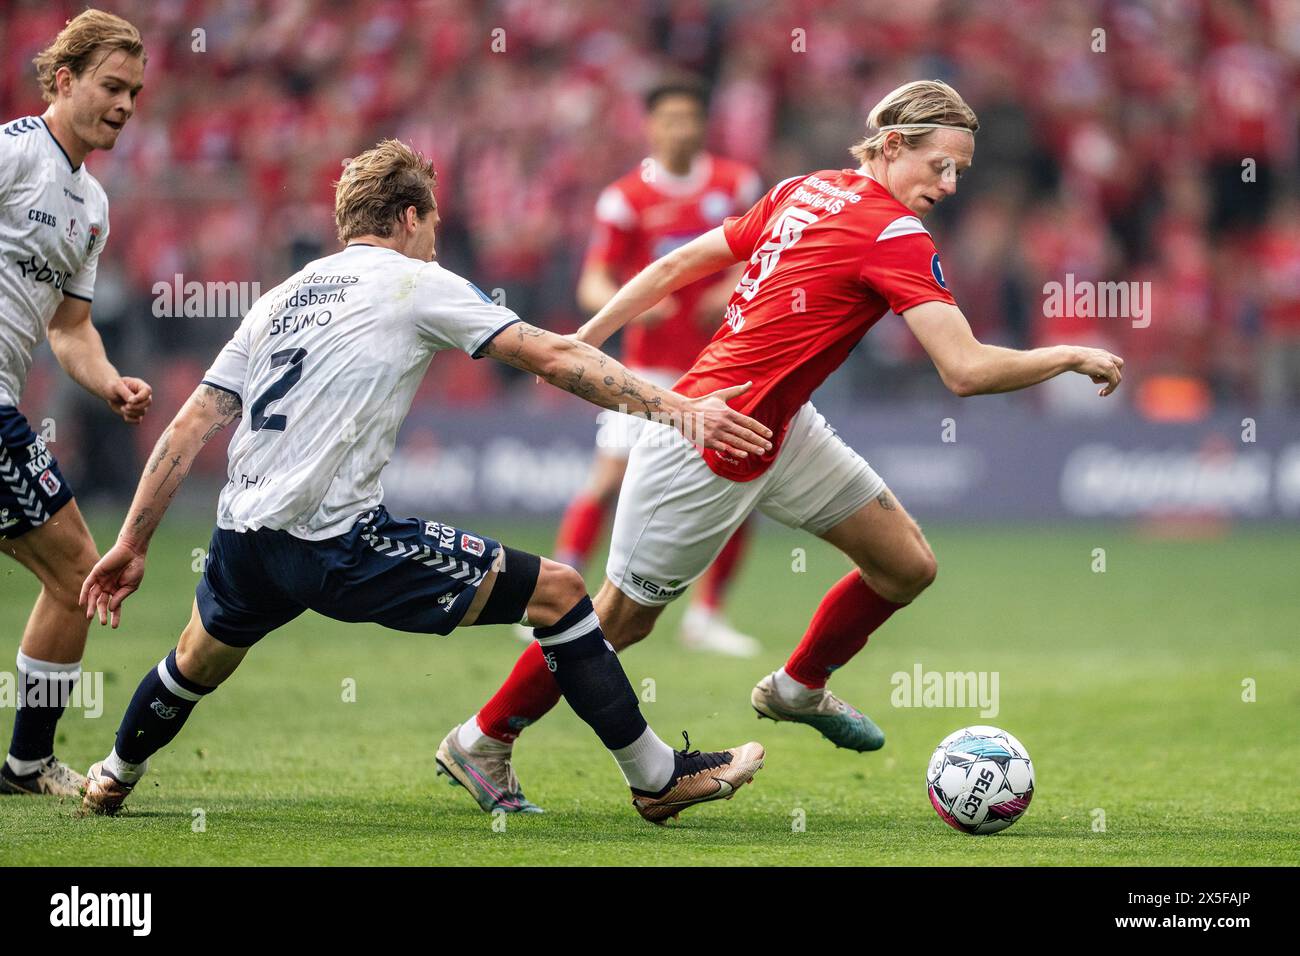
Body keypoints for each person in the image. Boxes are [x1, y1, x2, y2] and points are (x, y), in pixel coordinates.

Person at [460, 80, 1125, 798]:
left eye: (960, 169)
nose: (951, 183)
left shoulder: (804, 189)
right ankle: (482, 737)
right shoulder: (895, 233)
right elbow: (963, 370)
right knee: (619, 620)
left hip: (780, 425)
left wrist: (587, 336)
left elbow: (677, 264)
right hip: (705, 435)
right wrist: (1064, 354)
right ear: (893, 145)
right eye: (939, 165)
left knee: (904, 566)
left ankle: (799, 687)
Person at [77, 139, 770, 824]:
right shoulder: (416, 283)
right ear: (408, 217)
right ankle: (655, 778)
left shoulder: (278, 300)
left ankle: (113, 773)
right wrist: (679, 409)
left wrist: (133, 543)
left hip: (243, 536)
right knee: (559, 594)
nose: (437, 237)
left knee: (194, 660)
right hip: (336, 544)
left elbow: (189, 427)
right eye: (433, 220)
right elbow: (554, 358)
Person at [548, 75, 764, 658]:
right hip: (647, 375)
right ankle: (556, 600)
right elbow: (593, 279)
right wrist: (632, 305)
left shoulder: (737, 183)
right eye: (669, 119)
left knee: (740, 485)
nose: (681, 130)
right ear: (650, 126)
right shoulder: (625, 198)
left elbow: (768, 255)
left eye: (691, 118)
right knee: (609, 479)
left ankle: (707, 617)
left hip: (723, 365)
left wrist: (733, 285)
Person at [0, 10, 152, 797]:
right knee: (79, 574)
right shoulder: (13, 152)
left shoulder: (91, 205)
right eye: (111, 86)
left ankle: (25, 765)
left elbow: (70, 329)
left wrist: (108, 381)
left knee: (76, 578)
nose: (125, 105)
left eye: (134, 92)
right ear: (64, 81)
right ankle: (25, 764)